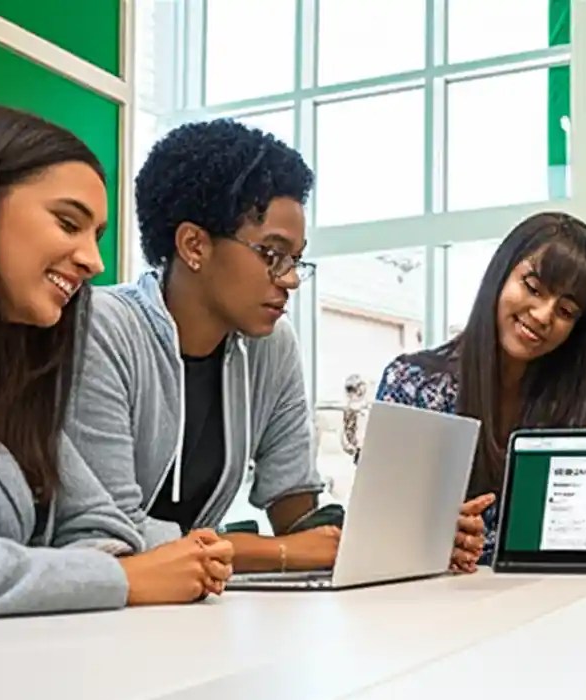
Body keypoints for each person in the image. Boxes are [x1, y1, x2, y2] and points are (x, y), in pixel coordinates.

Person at [65, 118, 488, 573]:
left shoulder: (271, 345)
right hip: (86, 609)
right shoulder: (101, 329)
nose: (289, 279)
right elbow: (113, 536)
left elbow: (297, 515)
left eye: (296, 260)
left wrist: (404, 534)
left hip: (191, 604)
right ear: (194, 245)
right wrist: (280, 553)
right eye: (271, 254)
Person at [0, 104, 233, 618]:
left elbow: (103, 526)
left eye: (97, 235)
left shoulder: (15, 385)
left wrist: (90, 575)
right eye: (68, 223)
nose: (93, 260)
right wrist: (112, 578)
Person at [376, 211, 586, 569]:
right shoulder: (414, 384)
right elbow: (376, 526)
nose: (543, 314)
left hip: (563, 598)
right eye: (532, 287)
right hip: (439, 602)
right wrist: (427, 535)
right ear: (501, 274)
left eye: (565, 310)